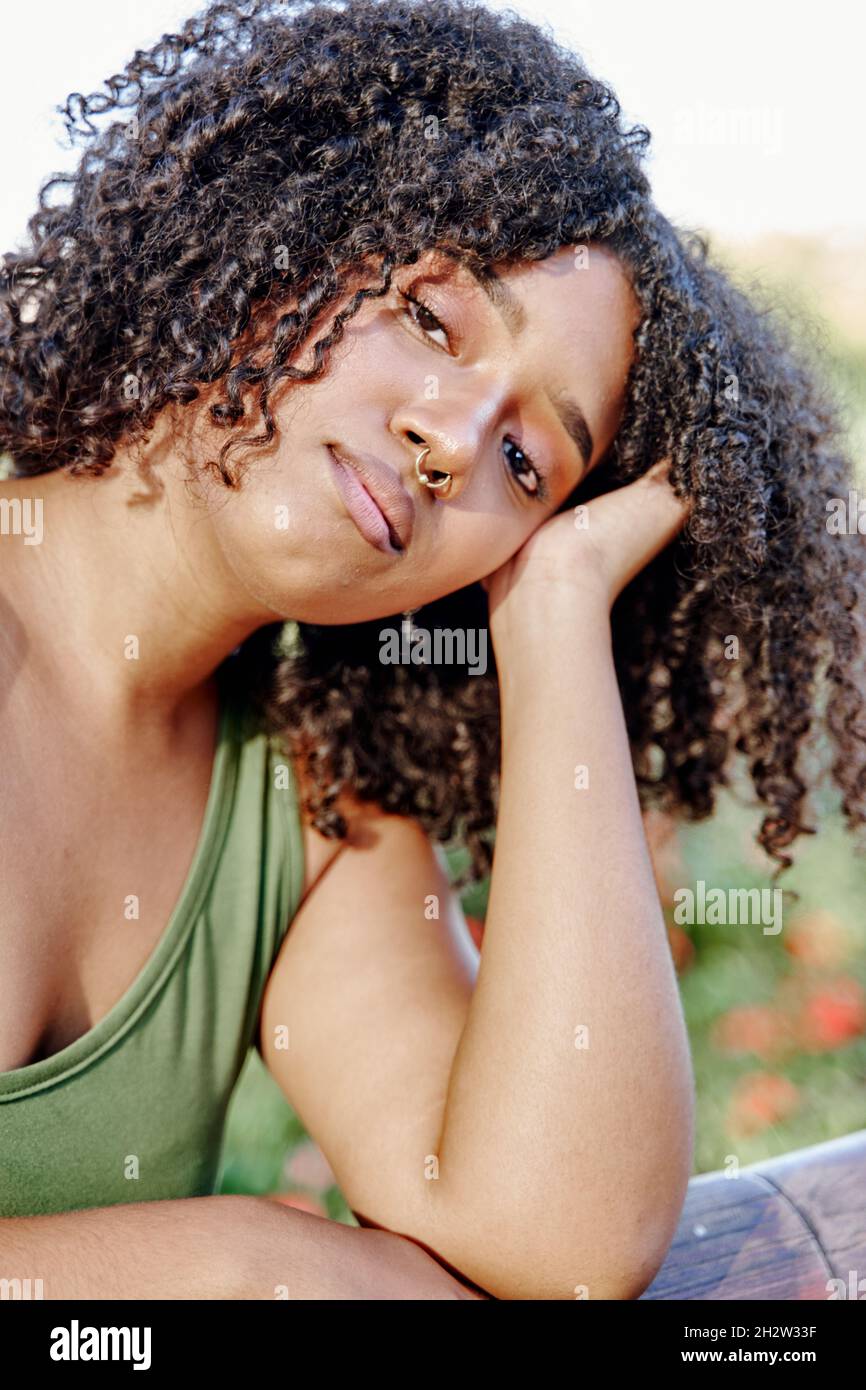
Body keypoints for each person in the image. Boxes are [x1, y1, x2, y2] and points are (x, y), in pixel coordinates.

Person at [0, 0, 863, 1301]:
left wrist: (554, 606)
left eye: (527, 462)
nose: (452, 438)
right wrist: (230, 1257)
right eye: (431, 319)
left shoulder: (298, 811)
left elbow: (556, 1238)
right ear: (282, 232)